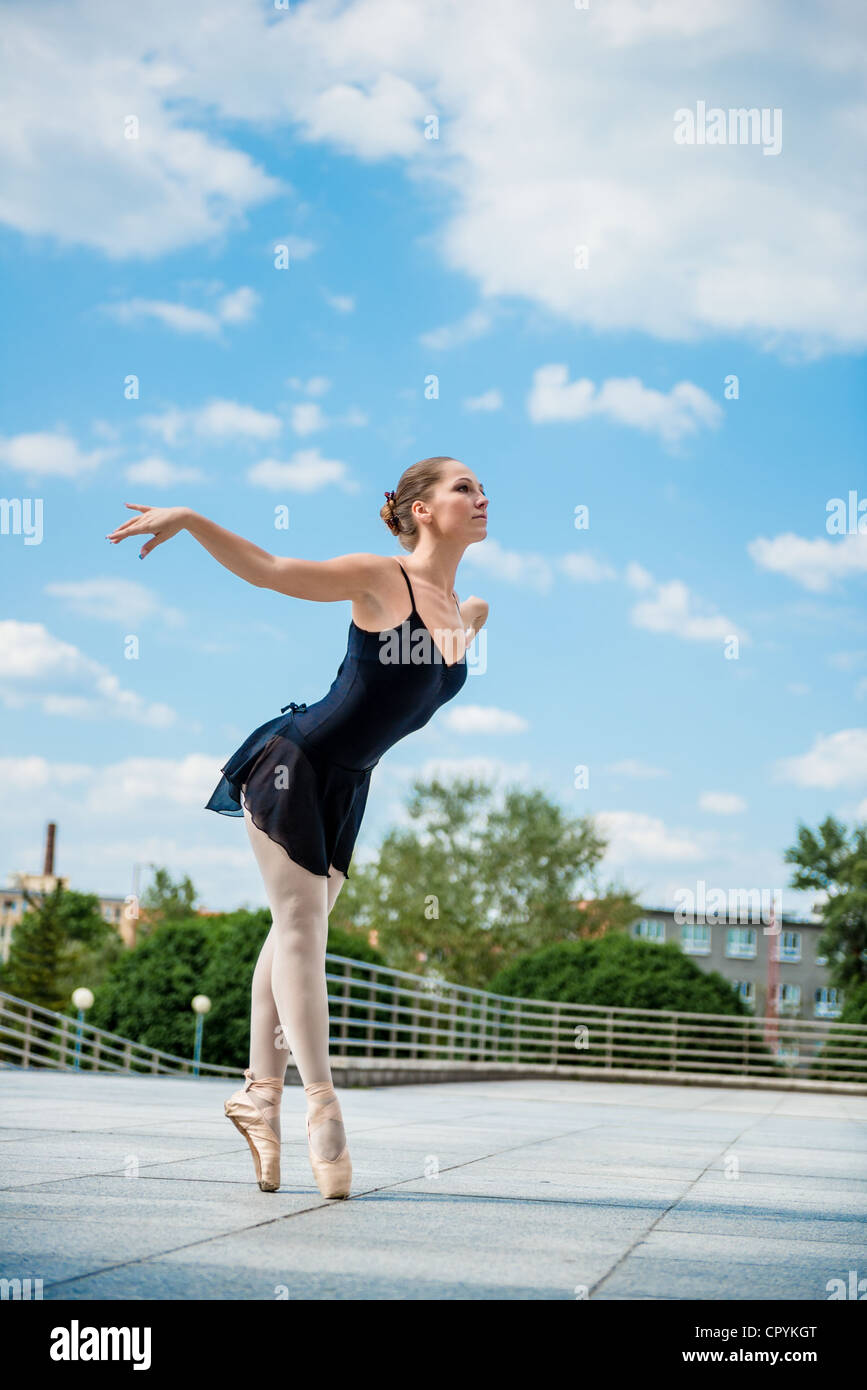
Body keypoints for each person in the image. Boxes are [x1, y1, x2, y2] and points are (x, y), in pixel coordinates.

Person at [105, 455, 490, 1200]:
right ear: (420, 509)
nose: (481, 497)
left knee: (287, 935)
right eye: (463, 487)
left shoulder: (467, 613)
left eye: (480, 487)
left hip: (349, 785)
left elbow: (432, 668)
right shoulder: (382, 578)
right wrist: (188, 518)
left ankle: (257, 1094)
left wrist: (468, 621)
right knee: (302, 929)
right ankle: (322, 1104)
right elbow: (272, 568)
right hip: (294, 762)